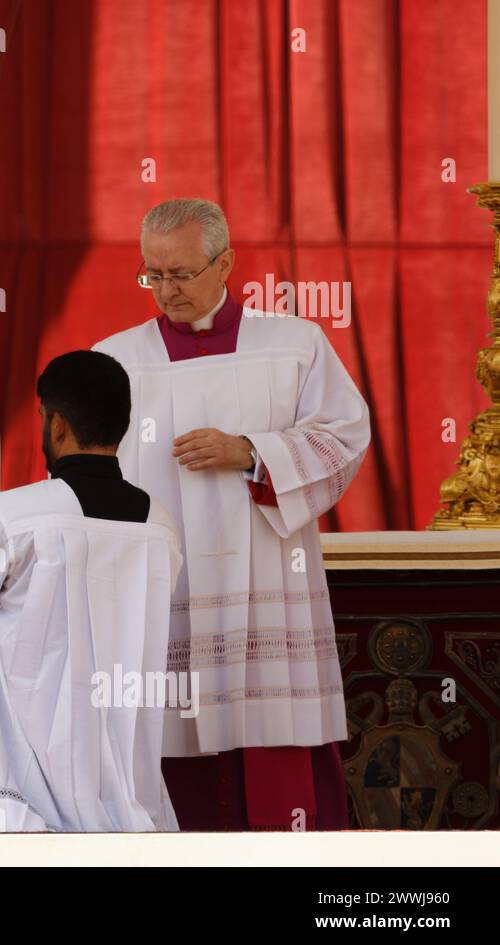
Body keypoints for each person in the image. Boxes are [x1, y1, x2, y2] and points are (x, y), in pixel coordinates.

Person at [93, 197, 370, 831]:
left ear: (226, 264)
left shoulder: (294, 344)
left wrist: (249, 452)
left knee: (271, 740)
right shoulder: (114, 361)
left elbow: (344, 437)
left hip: (268, 577)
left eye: (181, 274)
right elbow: (84, 466)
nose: (165, 291)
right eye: (152, 275)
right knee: (170, 745)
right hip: (168, 585)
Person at [0, 351, 183, 832]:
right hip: (121, 789)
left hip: (17, 790)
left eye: (43, 417)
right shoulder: (160, 527)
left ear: (57, 424)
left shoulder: (15, 517)